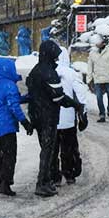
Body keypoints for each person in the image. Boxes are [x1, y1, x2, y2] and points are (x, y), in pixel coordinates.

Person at [26, 40, 83, 197]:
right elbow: (58, 97)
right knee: (48, 151)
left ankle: (46, 181)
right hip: (48, 118)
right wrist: (75, 105)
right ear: (50, 55)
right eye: (55, 56)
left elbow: (32, 94)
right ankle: (42, 183)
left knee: (46, 150)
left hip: (37, 116)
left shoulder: (36, 70)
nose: (57, 60)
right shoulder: (49, 73)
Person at [0, 57, 33, 196]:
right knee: (9, 155)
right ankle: (5, 184)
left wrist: (25, 98)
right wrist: (25, 122)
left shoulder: (0, 84)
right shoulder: (10, 85)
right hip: (5, 125)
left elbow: (11, 100)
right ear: (8, 69)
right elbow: (13, 106)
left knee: (1, 152)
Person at [53, 46, 88, 185]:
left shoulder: (48, 72)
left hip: (52, 118)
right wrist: (82, 113)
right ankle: (69, 173)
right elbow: (80, 94)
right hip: (68, 118)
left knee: (53, 149)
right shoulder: (71, 73)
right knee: (68, 147)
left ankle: (55, 175)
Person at [88, 39, 109, 123]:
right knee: (99, 97)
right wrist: (89, 78)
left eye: (100, 43)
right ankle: (102, 114)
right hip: (98, 79)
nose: (98, 44)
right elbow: (90, 67)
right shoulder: (92, 53)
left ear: (103, 43)